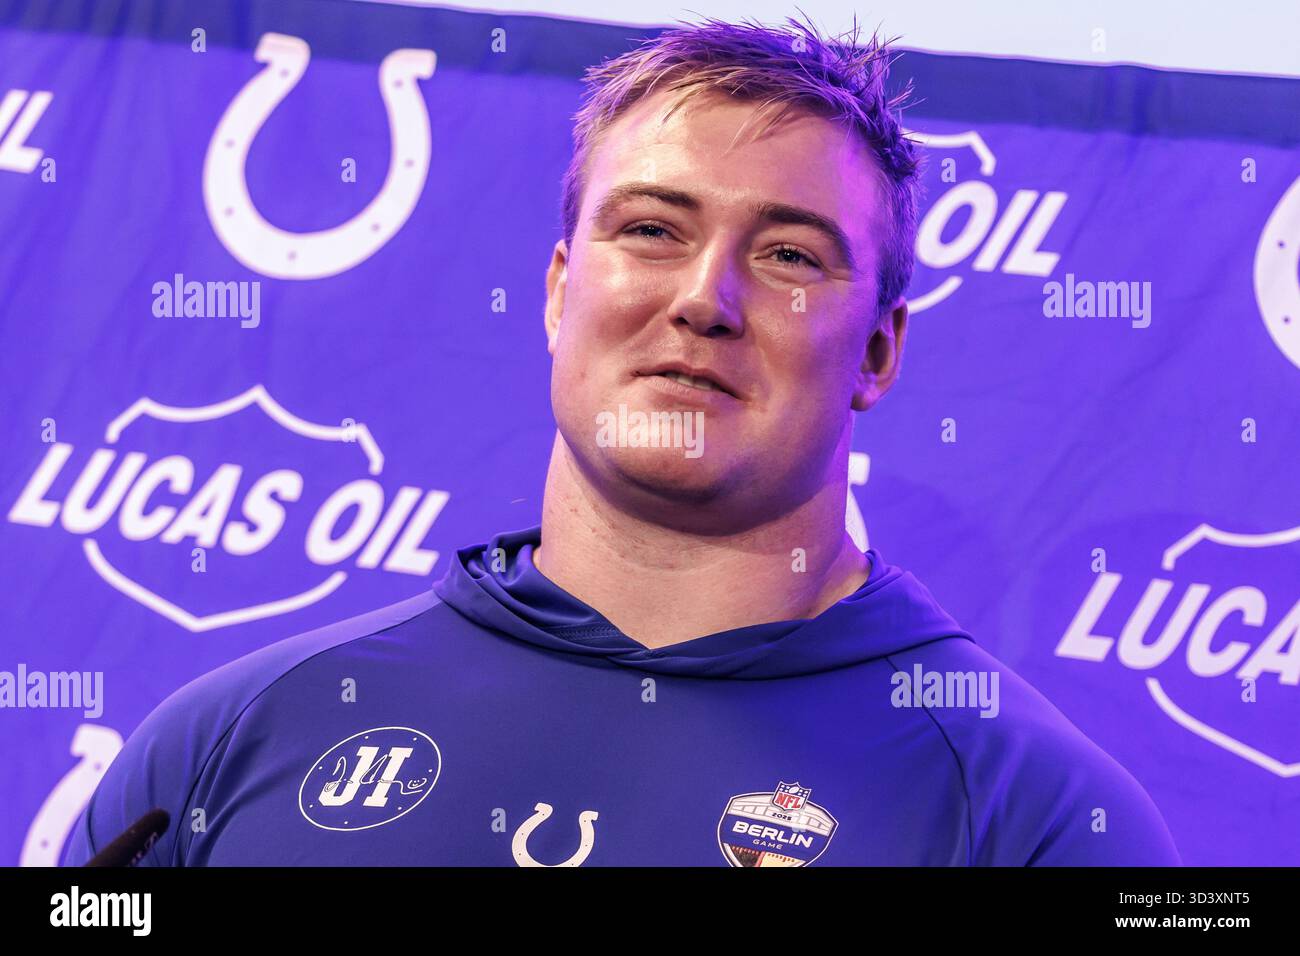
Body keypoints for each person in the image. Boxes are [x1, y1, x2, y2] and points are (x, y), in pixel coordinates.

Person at [62, 15, 1180, 867]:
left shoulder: (1035, 817)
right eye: (651, 229)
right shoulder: (224, 742)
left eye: (790, 254)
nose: (706, 298)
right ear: (558, 292)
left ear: (880, 353)